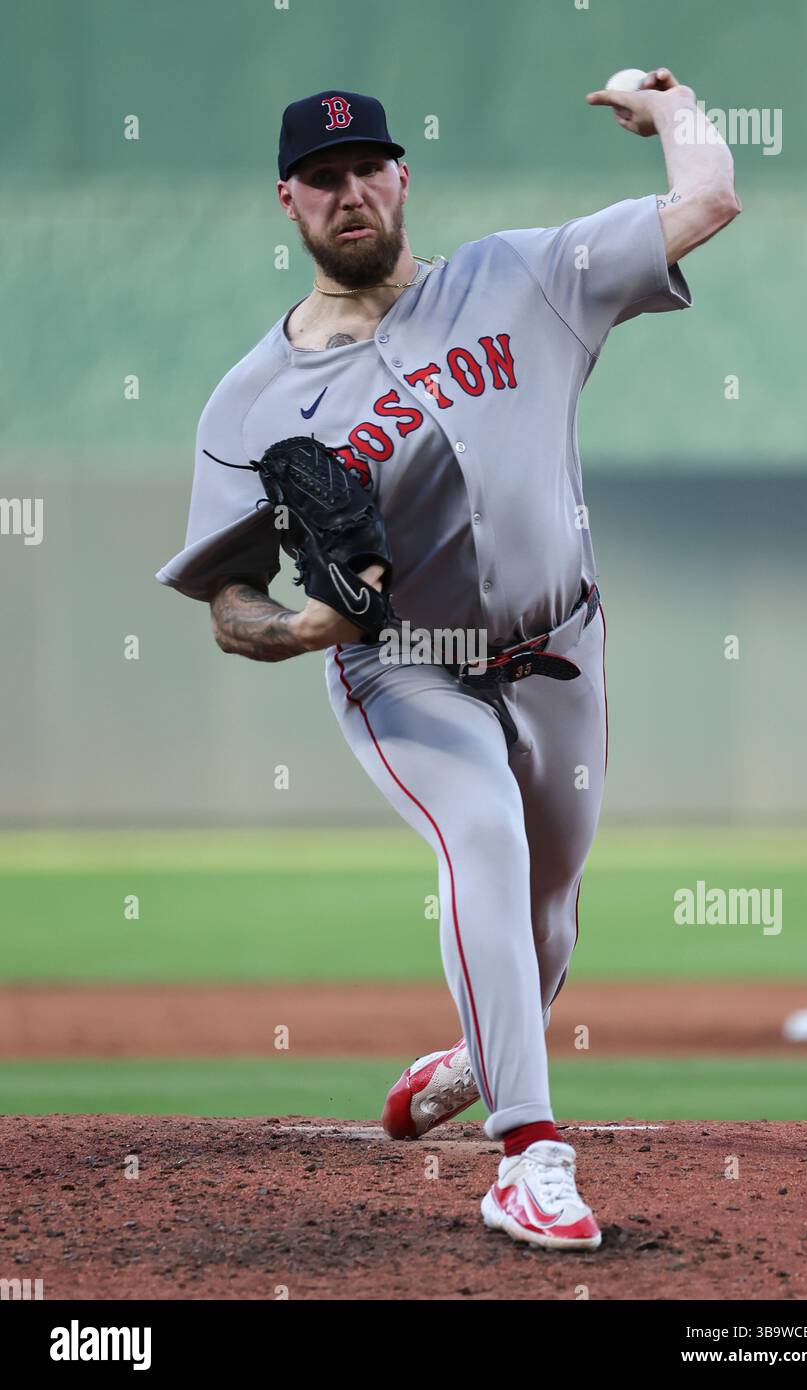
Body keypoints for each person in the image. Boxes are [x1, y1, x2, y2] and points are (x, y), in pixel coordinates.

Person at [157, 79, 740, 1251]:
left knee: (552, 923)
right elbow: (228, 602)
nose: (348, 189)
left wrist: (666, 105)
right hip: (404, 670)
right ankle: (528, 1156)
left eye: (367, 165)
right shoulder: (250, 400)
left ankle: (479, 1053)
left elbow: (709, 198)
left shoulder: (522, 280)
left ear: (401, 176)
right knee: (480, 830)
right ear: (288, 200)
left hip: (561, 646)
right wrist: (315, 626)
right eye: (321, 177)